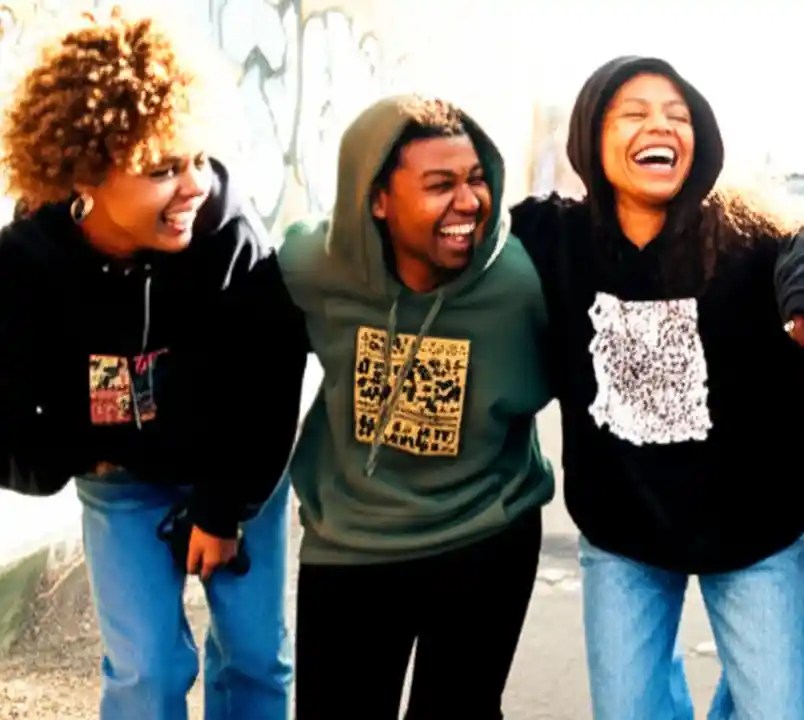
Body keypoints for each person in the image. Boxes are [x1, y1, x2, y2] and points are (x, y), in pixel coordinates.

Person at [509, 56, 804, 719]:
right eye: (634, 114)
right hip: (624, 532)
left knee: (777, 712)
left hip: (754, 531)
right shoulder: (553, 238)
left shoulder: (751, 240)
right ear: (591, 134)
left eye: (677, 115)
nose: (660, 126)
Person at [0, 8, 301, 720]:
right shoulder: (28, 263)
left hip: (236, 467)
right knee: (148, 674)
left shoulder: (228, 234)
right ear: (85, 173)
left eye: (197, 158)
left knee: (257, 658)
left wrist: (225, 510)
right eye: (163, 169)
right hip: (123, 486)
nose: (194, 184)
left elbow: (270, 382)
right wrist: (74, 452)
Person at [275, 96, 554, 719]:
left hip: (486, 533)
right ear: (377, 199)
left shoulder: (520, 284)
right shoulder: (313, 267)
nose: (468, 202)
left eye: (476, 179)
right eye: (439, 185)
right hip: (351, 542)